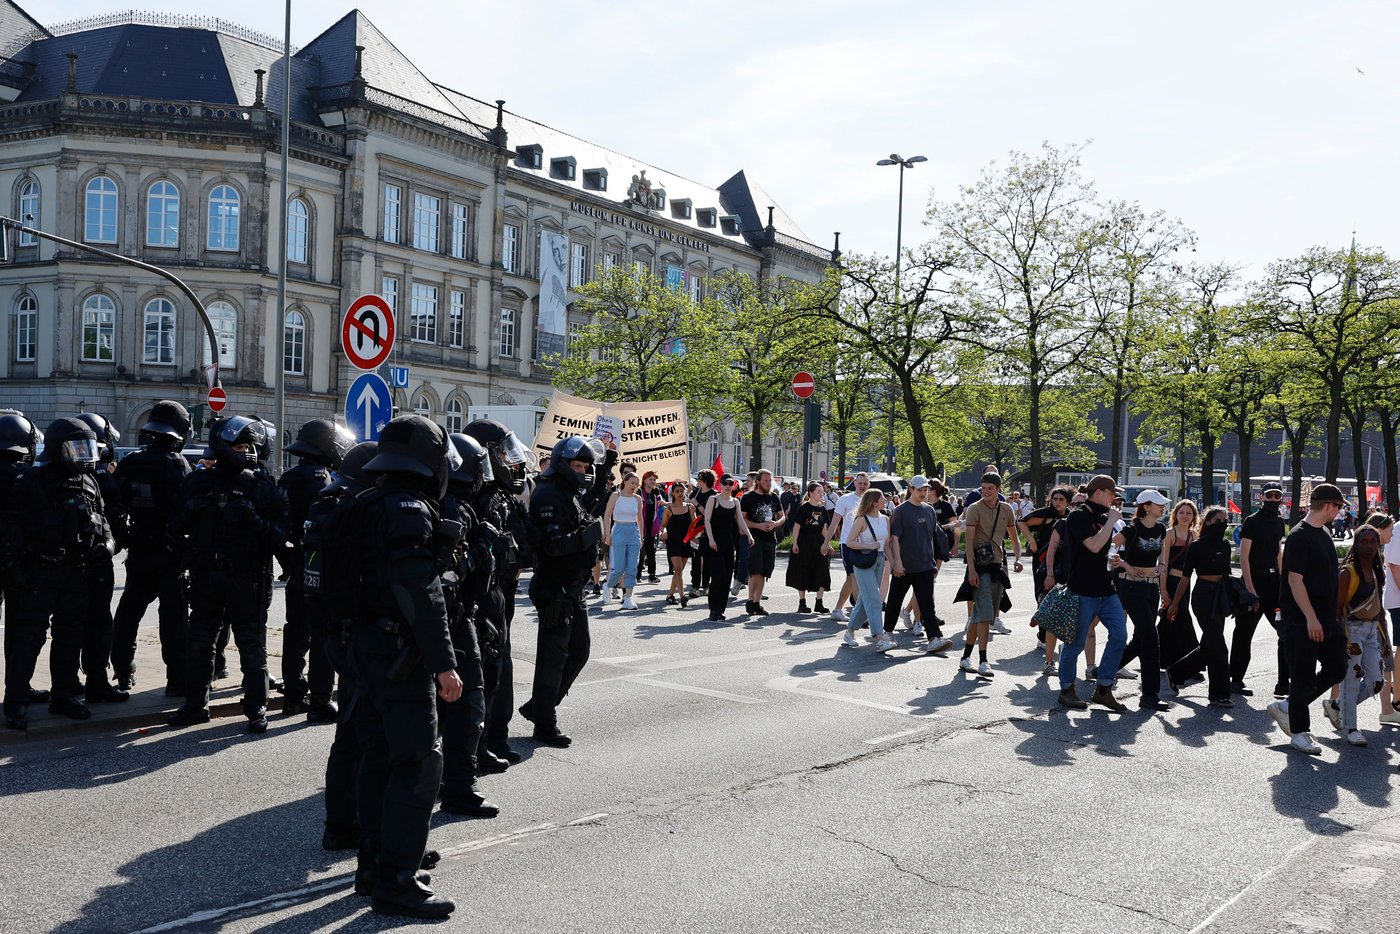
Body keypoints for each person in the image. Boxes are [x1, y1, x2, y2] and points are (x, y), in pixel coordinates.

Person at [343, 416, 462, 918]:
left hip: (363, 651)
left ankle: (372, 867)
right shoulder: (410, 510)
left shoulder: (362, 501)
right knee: (417, 764)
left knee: (376, 757)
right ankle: (397, 880)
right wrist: (445, 665)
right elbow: (421, 594)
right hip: (401, 657)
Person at [167, 416, 290, 733]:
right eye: (240, 446)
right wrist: (192, 510)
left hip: (246, 576)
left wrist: (254, 519)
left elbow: (282, 534)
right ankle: (195, 706)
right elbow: (173, 528)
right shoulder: (197, 482)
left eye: (250, 446)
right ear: (222, 447)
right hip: (207, 574)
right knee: (200, 642)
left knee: (252, 645)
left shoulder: (260, 485)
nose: (247, 451)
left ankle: (256, 709)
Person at [2, 418, 112, 730]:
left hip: (76, 572)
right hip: (41, 570)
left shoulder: (89, 482)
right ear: (57, 448)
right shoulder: (32, 481)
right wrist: (16, 573)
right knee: (29, 638)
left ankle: (63, 695)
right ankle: (16, 701)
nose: (83, 453)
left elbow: (104, 524)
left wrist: (107, 545)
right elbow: (13, 531)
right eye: (76, 446)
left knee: (70, 635)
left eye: (86, 446)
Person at [309, 440, 377, 853]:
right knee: (368, 737)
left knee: (350, 732)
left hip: (336, 627)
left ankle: (340, 824)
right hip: (360, 631)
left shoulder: (330, 499)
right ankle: (354, 828)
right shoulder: (359, 506)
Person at [461, 418, 536, 766]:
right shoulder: (472, 495)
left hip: (500, 591)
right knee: (483, 673)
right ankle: (473, 749)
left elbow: (524, 540)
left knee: (498, 669)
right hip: (478, 597)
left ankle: (493, 739)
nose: (511, 461)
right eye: (503, 453)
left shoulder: (501, 495)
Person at [522, 436, 606, 747]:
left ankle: (539, 707)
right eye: (577, 465)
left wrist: (607, 458)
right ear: (563, 464)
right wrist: (586, 537)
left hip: (574, 588)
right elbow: (553, 546)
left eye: (586, 466)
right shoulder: (548, 495)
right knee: (553, 658)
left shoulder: (569, 493)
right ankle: (545, 722)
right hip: (554, 588)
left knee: (579, 651)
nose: (583, 471)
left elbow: (593, 497)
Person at [437, 431, 501, 818]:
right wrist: (480, 547)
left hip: (462, 616)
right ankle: (458, 786)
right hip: (452, 620)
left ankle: (451, 782)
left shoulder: (459, 504)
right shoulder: (450, 509)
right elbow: (449, 575)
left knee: (459, 707)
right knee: (466, 706)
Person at [110, 402, 192, 696]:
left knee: (129, 612)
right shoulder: (178, 464)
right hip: (170, 554)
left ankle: (122, 672)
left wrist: (127, 535)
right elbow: (188, 511)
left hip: (140, 549)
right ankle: (177, 680)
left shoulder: (131, 460)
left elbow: (115, 504)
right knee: (173, 619)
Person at [279, 418, 354, 721]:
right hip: (320, 569)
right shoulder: (325, 482)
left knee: (294, 630)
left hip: (296, 565)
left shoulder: (288, 477)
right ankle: (320, 701)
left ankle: (292, 695)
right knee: (322, 634)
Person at [1266, 483, 1348, 755]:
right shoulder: (1300, 536)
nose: (1339, 512)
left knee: (1337, 667)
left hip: (1326, 618)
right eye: (1339, 506)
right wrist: (1311, 618)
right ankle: (1299, 732)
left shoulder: (1323, 533)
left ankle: (1289, 706)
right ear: (1329, 505)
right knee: (1301, 675)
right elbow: (1294, 580)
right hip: (1301, 620)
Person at [1056, 475, 1128, 711]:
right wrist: (1111, 522)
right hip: (1082, 591)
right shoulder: (1078, 516)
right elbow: (1094, 545)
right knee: (1075, 644)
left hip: (1106, 589)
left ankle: (1104, 689)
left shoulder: (1103, 517)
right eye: (1111, 493)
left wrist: (1113, 559)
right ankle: (1067, 689)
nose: (1114, 498)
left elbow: (1102, 551)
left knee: (1119, 636)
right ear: (1098, 493)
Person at [72, 412, 129, 706]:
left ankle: (68, 682)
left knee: (68, 624)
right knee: (98, 623)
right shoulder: (101, 478)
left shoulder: (59, 473)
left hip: (64, 565)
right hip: (97, 562)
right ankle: (97, 682)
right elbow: (118, 524)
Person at [1166, 505, 1235, 707]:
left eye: (1225, 521)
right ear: (1207, 523)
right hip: (1203, 596)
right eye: (1217, 522)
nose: (1221, 525)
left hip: (1219, 597)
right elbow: (1185, 578)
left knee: (1209, 645)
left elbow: (1228, 574)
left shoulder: (1225, 545)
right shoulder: (1197, 546)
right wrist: (1175, 604)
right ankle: (1219, 694)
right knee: (1219, 647)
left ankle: (1176, 672)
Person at [1111, 490, 1171, 711]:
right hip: (1130, 587)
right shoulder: (1131, 528)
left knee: (1140, 638)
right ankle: (1149, 695)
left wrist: (1162, 566)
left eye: (1163, 504)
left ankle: (1106, 671)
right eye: (1158, 504)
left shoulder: (1161, 529)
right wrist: (1125, 564)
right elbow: (1109, 548)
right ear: (1146, 506)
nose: (1162, 507)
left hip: (1151, 588)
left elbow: (1162, 554)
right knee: (1150, 638)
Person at [961, 472, 1021, 677]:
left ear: (998, 489)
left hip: (997, 566)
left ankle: (965, 658)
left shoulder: (1007, 509)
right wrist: (971, 570)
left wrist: (1018, 559)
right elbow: (968, 543)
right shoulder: (974, 509)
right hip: (978, 567)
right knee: (985, 615)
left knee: (981, 614)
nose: (986, 492)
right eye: (983, 488)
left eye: (990, 489)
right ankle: (983, 660)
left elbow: (1014, 539)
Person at [885, 475, 954, 654]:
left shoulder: (929, 510)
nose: (923, 493)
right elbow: (894, 539)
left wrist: (933, 561)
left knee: (927, 604)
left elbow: (931, 536)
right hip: (904, 566)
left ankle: (933, 637)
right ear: (911, 489)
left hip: (925, 565)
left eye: (926, 490)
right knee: (894, 601)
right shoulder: (900, 511)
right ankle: (887, 635)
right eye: (920, 490)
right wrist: (897, 564)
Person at [1232, 480, 1289, 698]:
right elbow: (1244, 557)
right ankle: (1235, 680)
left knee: (1284, 631)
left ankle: (1283, 683)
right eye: (1269, 495)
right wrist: (1249, 588)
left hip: (1274, 584)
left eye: (1277, 496)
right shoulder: (1251, 521)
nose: (1273, 499)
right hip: (1253, 582)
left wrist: (1283, 581)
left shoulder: (1279, 521)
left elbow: (1278, 552)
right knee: (1243, 634)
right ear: (1262, 497)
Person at [1334, 525, 1386, 746]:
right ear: (1355, 544)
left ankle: (1338, 705)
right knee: (1352, 680)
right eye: (1363, 541)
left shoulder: (1375, 570)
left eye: (1373, 541)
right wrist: (1341, 638)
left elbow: (1379, 606)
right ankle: (1351, 728)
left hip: (1373, 630)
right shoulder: (1347, 572)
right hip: (1351, 630)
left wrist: (1384, 637)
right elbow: (1336, 609)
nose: (1368, 546)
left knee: (1376, 682)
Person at [839, 489, 894, 652]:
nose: (885, 500)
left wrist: (895, 564)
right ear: (873, 502)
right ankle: (879, 638)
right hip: (863, 561)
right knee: (875, 600)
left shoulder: (885, 519)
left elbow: (888, 545)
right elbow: (849, 542)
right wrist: (869, 545)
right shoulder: (861, 519)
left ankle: (849, 632)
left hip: (880, 560)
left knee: (865, 599)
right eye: (882, 498)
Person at [1160, 500, 1206, 694]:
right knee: (1180, 619)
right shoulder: (1169, 534)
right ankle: (1191, 663)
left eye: (1188, 513)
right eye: (1181, 513)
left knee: (1171, 621)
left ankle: (1164, 658)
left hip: (1185, 584)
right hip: (1170, 582)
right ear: (1175, 515)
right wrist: (1163, 590)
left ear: (1194, 516)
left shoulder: (1194, 536)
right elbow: (1163, 564)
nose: (1185, 516)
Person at [824, 472, 871, 620]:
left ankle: (838, 609)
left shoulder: (871, 500)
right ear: (855, 483)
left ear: (868, 485)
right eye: (860, 483)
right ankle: (860, 615)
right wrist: (826, 542)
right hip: (847, 543)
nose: (862, 486)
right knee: (854, 576)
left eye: (865, 483)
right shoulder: (845, 499)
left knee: (852, 579)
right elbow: (835, 522)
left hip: (865, 544)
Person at [704, 475, 752, 622]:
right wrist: (711, 539)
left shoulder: (735, 501)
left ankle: (721, 610)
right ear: (720, 484)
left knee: (726, 577)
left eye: (731, 484)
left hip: (729, 543)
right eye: (725, 483)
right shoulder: (713, 499)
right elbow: (707, 520)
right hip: (714, 543)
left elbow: (740, 520)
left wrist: (749, 535)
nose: (728, 486)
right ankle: (713, 609)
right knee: (718, 577)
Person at [741, 469, 785, 616]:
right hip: (754, 538)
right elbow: (742, 520)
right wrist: (757, 525)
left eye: (770, 480)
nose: (768, 483)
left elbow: (782, 516)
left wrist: (776, 523)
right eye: (766, 480)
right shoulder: (748, 497)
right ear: (758, 481)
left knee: (765, 572)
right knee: (755, 571)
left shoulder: (774, 497)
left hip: (770, 538)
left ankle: (757, 602)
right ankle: (750, 600)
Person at [786, 481, 832, 614]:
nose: (821, 493)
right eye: (818, 491)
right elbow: (797, 526)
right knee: (803, 570)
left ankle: (819, 602)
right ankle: (802, 603)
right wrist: (795, 543)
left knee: (823, 570)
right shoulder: (804, 508)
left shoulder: (823, 509)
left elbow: (824, 528)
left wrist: (827, 543)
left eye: (822, 491)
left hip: (819, 542)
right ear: (811, 493)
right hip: (804, 542)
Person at [603, 472, 645, 610]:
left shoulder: (638, 498)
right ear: (625, 482)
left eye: (636, 484)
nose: (634, 486)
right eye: (632, 483)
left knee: (632, 567)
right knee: (619, 567)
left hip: (633, 532)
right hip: (619, 530)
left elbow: (640, 519)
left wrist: (641, 536)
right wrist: (607, 534)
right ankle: (607, 585)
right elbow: (607, 515)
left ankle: (628, 598)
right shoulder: (616, 496)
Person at [663, 480, 697, 607]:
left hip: (686, 541)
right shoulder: (669, 509)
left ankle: (670, 595)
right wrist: (664, 532)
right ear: (672, 493)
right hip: (673, 542)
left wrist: (693, 512)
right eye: (677, 491)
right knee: (677, 569)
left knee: (679, 571)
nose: (679, 493)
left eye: (681, 491)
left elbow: (694, 524)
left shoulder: (689, 507)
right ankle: (682, 596)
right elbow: (663, 525)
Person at [687, 469, 717, 599]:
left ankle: (705, 586)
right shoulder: (696, 493)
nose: (697, 482)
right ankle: (695, 585)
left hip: (708, 530)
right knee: (695, 557)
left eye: (699, 479)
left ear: (704, 481)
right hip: (696, 530)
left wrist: (697, 504)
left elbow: (709, 514)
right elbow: (688, 503)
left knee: (707, 559)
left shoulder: (713, 495)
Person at [637, 471, 663, 584]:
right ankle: (637, 575)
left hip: (651, 528)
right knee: (639, 552)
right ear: (644, 480)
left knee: (651, 551)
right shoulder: (639, 493)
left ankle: (652, 575)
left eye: (654, 480)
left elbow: (661, 507)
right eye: (650, 479)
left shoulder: (656, 493)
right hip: (639, 527)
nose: (652, 482)